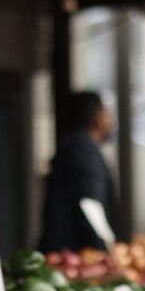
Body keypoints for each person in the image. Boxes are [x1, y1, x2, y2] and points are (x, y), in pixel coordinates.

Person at [39, 91, 115, 252]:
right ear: (97, 116)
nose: (110, 118)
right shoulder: (84, 151)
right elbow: (90, 206)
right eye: (106, 111)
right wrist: (105, 254)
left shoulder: (72, 147)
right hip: (74, 256)